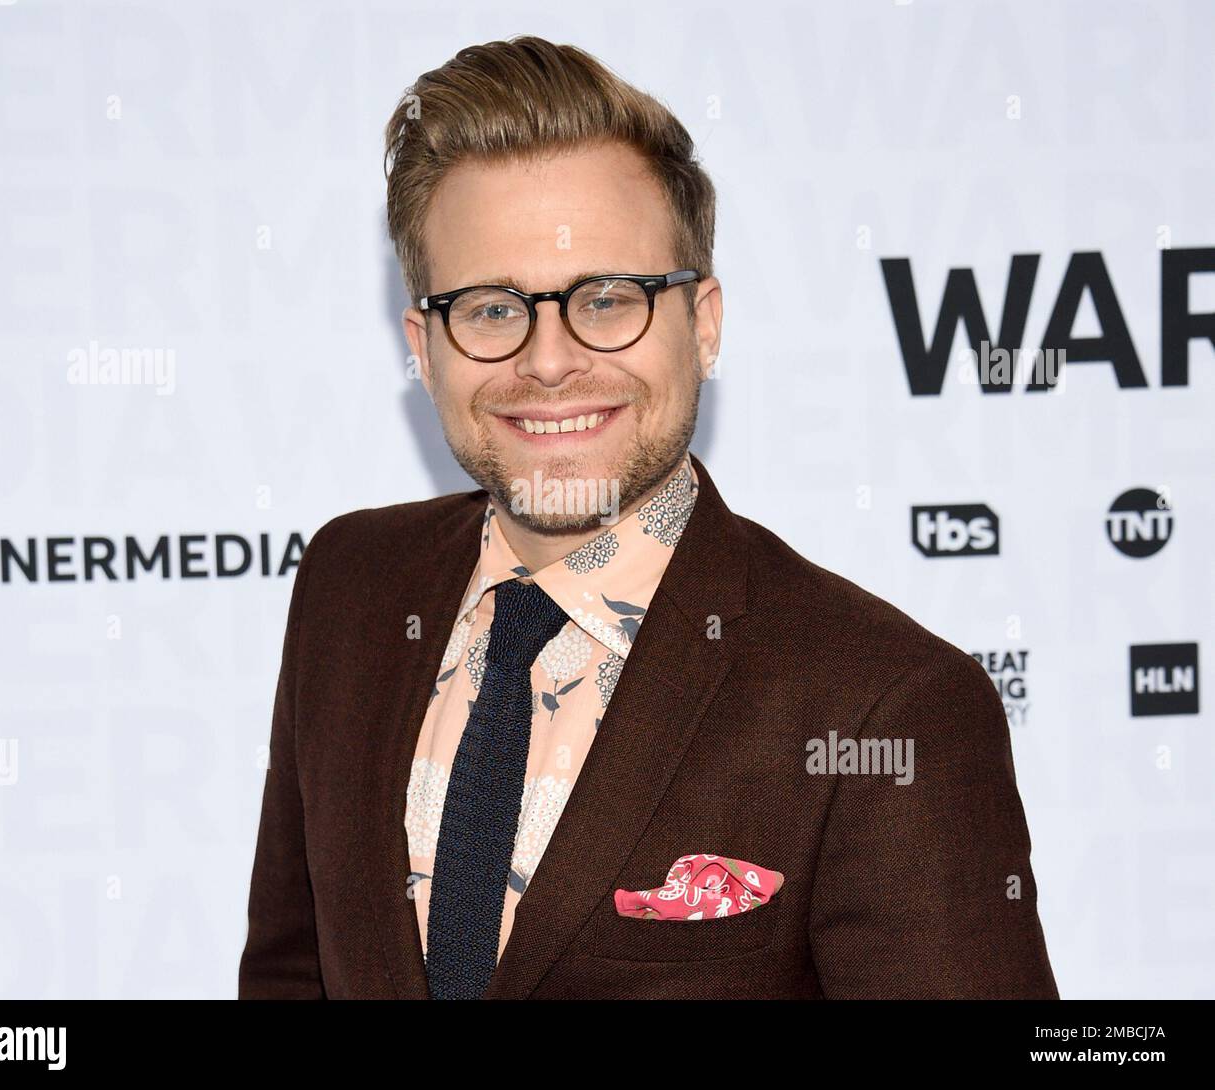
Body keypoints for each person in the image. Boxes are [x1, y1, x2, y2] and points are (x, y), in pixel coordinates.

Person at [238, 35, 1058, 1000]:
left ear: (703, 323)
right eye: (493, 309)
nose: (548, 361)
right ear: (424, 345)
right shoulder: (350, 584)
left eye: (608, 298)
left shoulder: (888, 705)